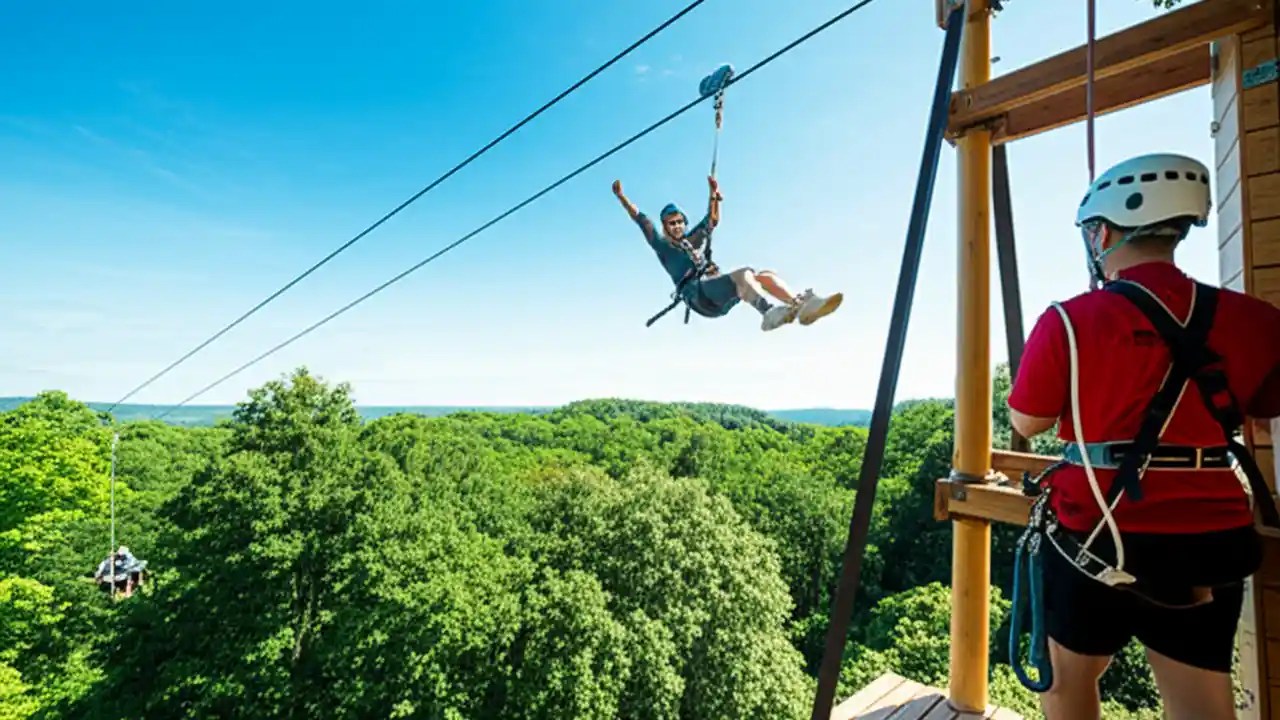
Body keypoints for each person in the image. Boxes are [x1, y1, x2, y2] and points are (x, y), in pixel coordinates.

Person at [1007, 152, 1280, 720]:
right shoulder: (1254, 319)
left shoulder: (1068, 321)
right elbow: (1264, 407)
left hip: (1094, 533)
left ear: (1105, 234)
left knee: (1066, 686)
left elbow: (1027, 421)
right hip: (1210, 537)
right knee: (1201, 701)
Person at [612, 176, 843, 331]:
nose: (677, 226)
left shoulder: (692, 240)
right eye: (672, 223)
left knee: (761, 275)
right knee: (743, 275)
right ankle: (768, 312)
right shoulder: (663, 246)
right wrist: (622, 197)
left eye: (680, 222)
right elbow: (641, 220)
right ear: (665, 227)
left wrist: (714, 196)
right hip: (698, 295)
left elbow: (712, 221)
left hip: (715, 290)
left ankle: (800, 305)